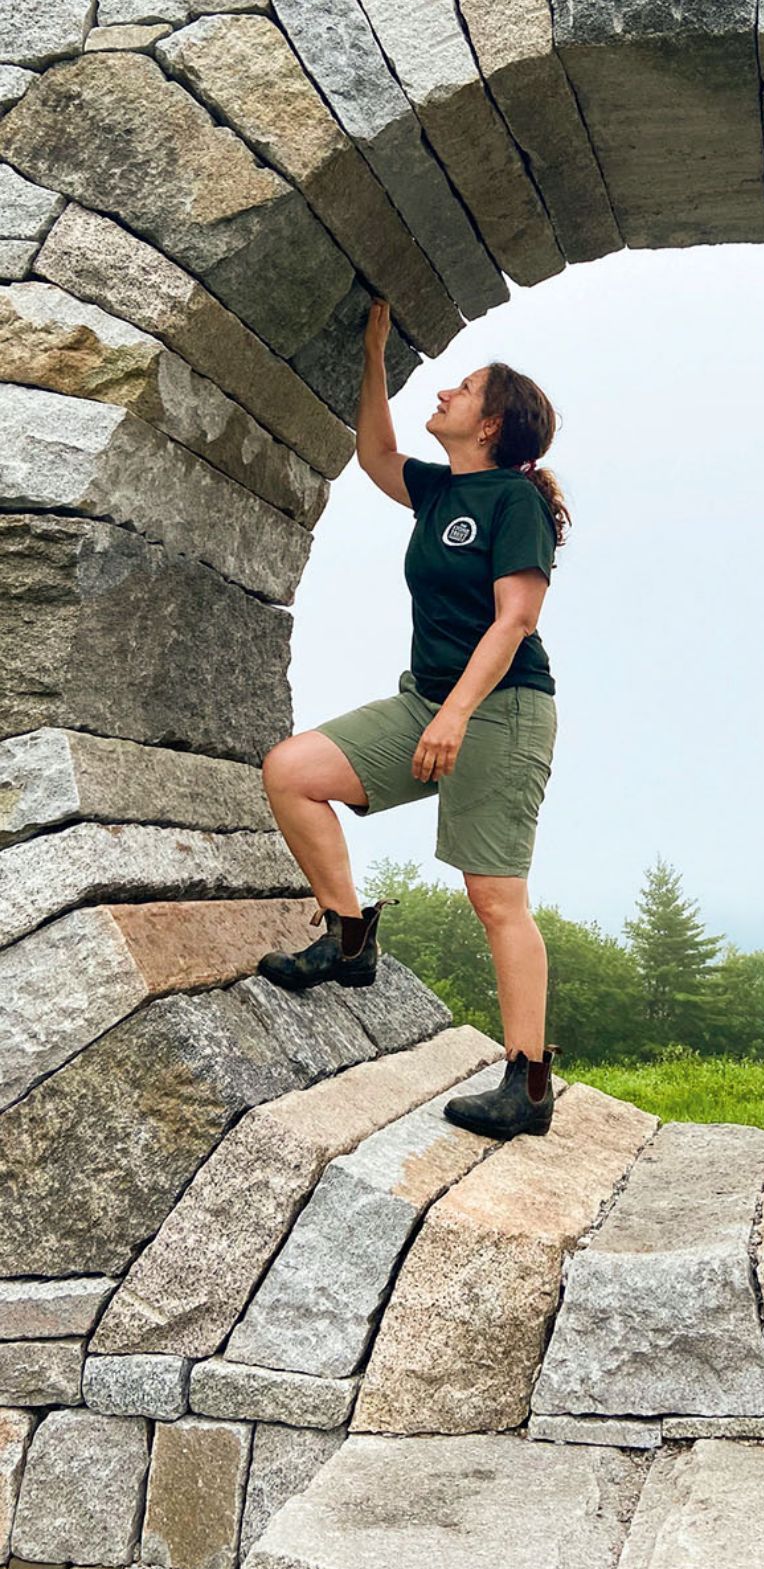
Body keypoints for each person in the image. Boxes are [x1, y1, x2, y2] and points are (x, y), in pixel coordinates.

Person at [257, 297, 572, 1143]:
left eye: (460, 389)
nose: (443, 393)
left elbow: (515, 621)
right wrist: (372, 355)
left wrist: (456, 718)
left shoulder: (515, 504)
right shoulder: (438, 488)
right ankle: (349, 937)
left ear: (493, 422)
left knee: (496, 897)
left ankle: (528, 1083)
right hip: (425, 700)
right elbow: (375, 453)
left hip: (501, 713)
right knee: (291, 772)